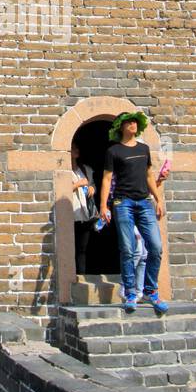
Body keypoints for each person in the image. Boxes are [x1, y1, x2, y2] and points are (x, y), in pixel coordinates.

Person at [99, 111, 169, 315]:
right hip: (123, 203)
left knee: (155, 247)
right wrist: (104, 206)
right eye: (129, 122)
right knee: (128, 249)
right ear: (121, 127)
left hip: (144, 202)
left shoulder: (144, 149)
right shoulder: (114, 151)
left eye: (135, 122)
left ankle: (151, 290)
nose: (133, 125)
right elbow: (106, 179)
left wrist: (158, 198)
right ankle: (130, 292)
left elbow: (148, 175)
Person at [70, 143, 97, 275]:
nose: (77, 150)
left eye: (77, 147)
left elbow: (92, 185)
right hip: (71, 214)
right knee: (70, 248)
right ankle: (70, 276)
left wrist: (92, 188)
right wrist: (77, 184)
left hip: (85, 214)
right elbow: (61, 191)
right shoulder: (63, 171)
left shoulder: (85, 169)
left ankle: (81, 275)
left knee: (82, 250)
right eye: (73, 148)